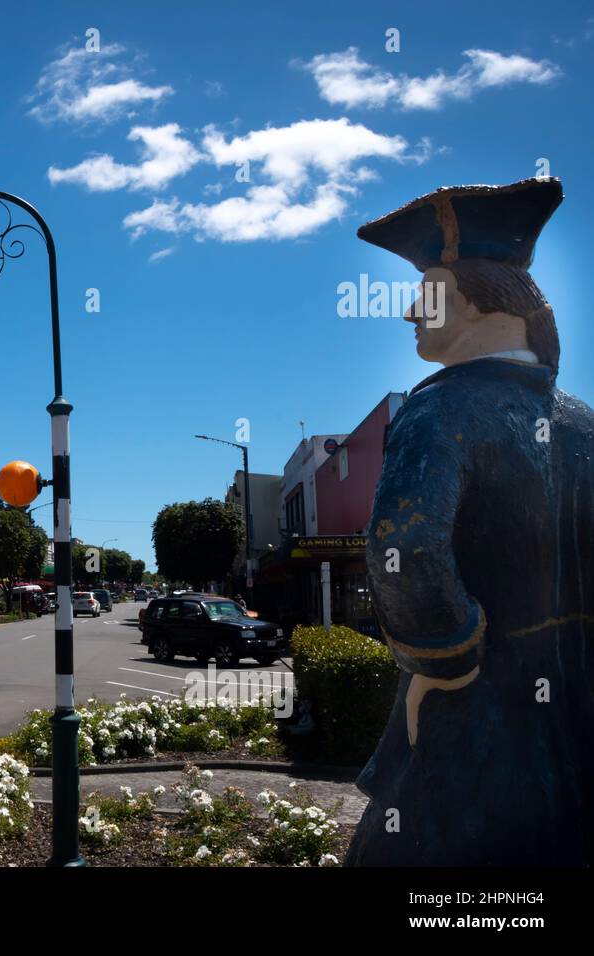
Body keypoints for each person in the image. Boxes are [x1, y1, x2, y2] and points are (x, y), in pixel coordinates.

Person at [346, 178, 594, 866]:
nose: (408, 314)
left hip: (478, 714)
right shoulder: (584, 425)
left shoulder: (442, 408)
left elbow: (406, 547)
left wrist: (443, 664)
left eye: (427, 292)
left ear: (483, 298)